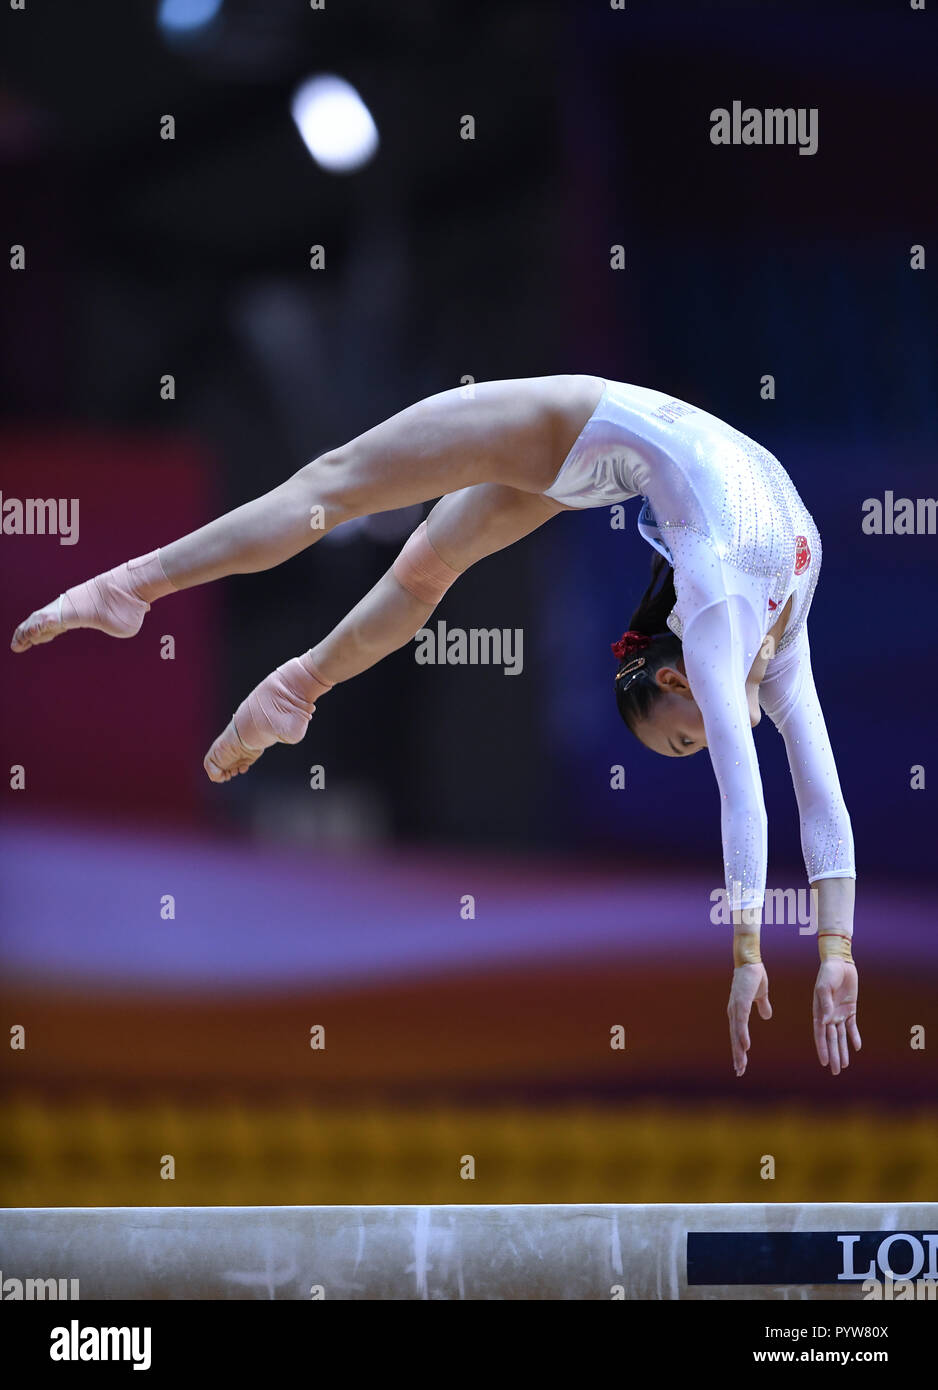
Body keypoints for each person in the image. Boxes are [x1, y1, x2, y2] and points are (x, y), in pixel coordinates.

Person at [11, 374, 858, 1078]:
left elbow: (820, 795)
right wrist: (748, 953)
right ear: (675, 677)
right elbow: (745, 793)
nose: (705, 738)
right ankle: (134, 587)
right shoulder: (720, 627)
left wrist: (836, 953)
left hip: (606, 465)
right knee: (333, 486)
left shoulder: (774, 645)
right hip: (566, 422)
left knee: (422, 579)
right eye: (689, 737)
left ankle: (297, 689)